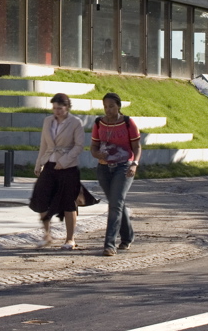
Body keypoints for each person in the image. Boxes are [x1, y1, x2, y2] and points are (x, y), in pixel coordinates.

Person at [29, 93, 85, 250]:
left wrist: (64, 161)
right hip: (49, 164)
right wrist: (38, 163)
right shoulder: (47, 121)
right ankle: (47, 235)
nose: (57, 111)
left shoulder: (76, 123)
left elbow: (79, 146)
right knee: (39, 198)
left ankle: (70, 239)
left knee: (68, 202)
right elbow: (44, 144)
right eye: (54, 108)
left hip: (68, 167)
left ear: (67, 107)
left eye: (60, 108)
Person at [91, 91, 140, 257]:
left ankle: (109, 244)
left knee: (115, 204)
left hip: (124, 167)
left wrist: (135, 164)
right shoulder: (99, 123)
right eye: (105, 106)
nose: (108, 110)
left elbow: (137, 147)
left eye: (111, 106)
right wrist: (97, 154)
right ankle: (127, 237)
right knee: (116, 202)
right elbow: (93, 147)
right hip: (104, 168)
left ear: (119, 106)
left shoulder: (128, 123)